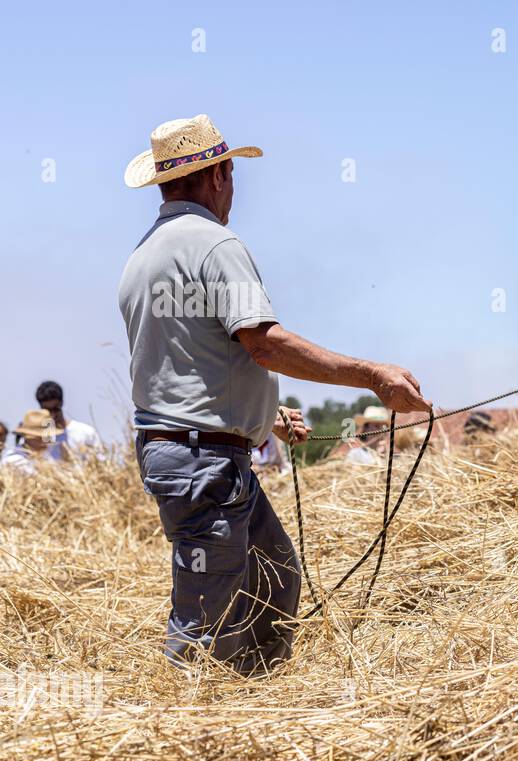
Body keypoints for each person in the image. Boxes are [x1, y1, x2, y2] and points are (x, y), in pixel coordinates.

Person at [118, 114, 430, 676]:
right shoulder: (216, 245)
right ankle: (180, 725)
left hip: (182, 451)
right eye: (231, 175)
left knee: (273, 577)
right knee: (202, 616)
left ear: (165, 183)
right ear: (219, 175)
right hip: (206, 462)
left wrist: (263, 416)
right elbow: (263, 343)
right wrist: (372, 375)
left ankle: (247, 706)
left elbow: (188, 363)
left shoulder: (143, 257)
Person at [35, 381, 100, 462]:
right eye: (48, 410)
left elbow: (99, 463)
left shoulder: (85, 432)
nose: (52, 415)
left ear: (61, 403)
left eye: (55, 409)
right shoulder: (37, 437)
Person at [1, 410, 61, 475]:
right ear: (29, 436)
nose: (48, 441)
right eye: (42, 437)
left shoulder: (47, 456)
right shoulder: (14, 461)